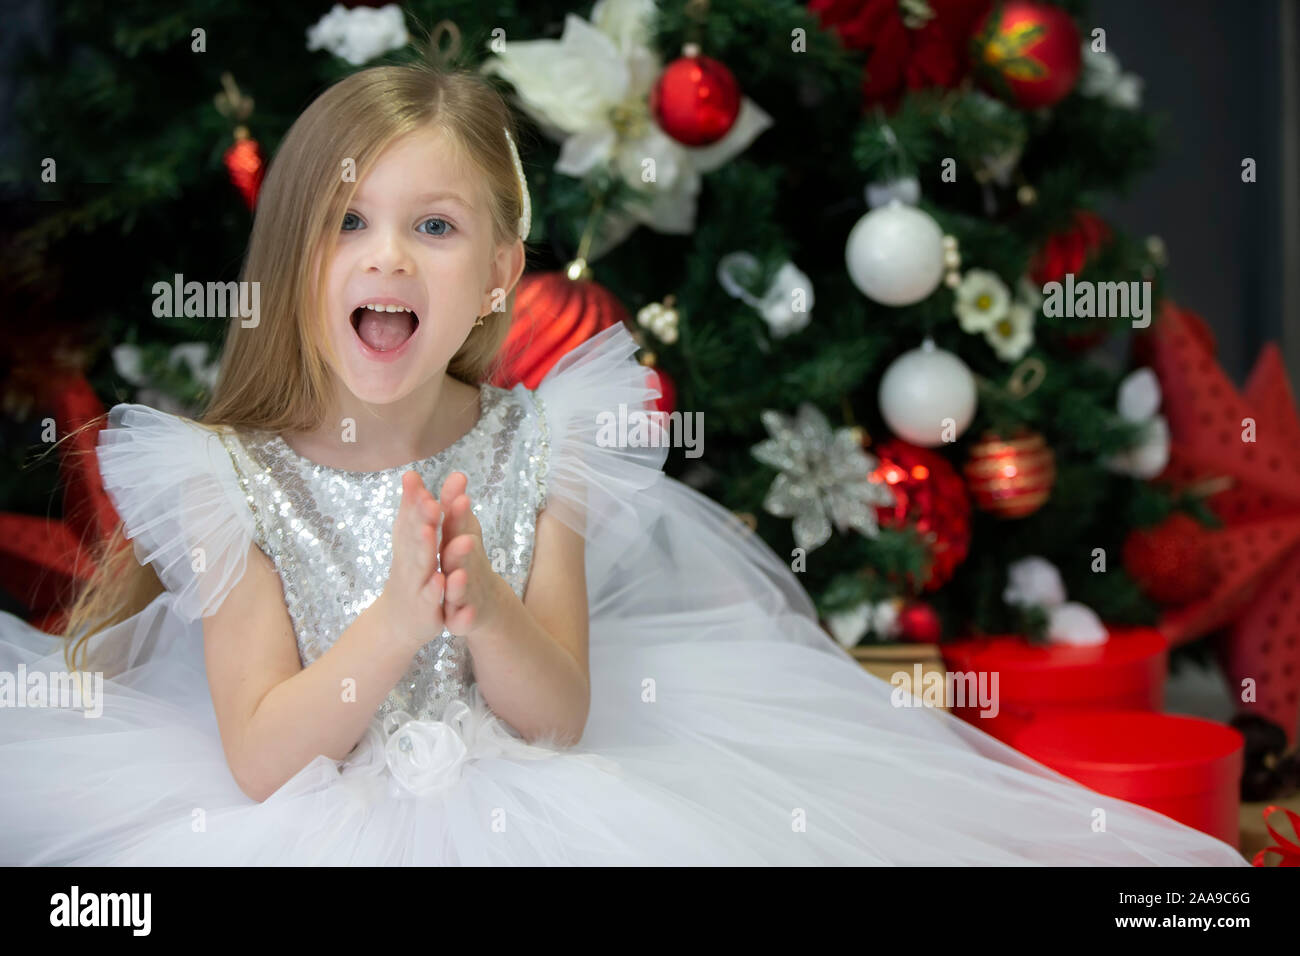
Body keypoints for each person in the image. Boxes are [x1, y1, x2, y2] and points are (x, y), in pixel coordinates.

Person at [0, 58, 1250, 866]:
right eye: (347, 224)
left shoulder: (538, 440)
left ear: (497, 271)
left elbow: (560, 713)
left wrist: (479, 602)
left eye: (433, 227)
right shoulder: (234, 479)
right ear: (294, 259)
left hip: (526, 795)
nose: (387, 260)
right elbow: (264, 757)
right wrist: (390, 623)